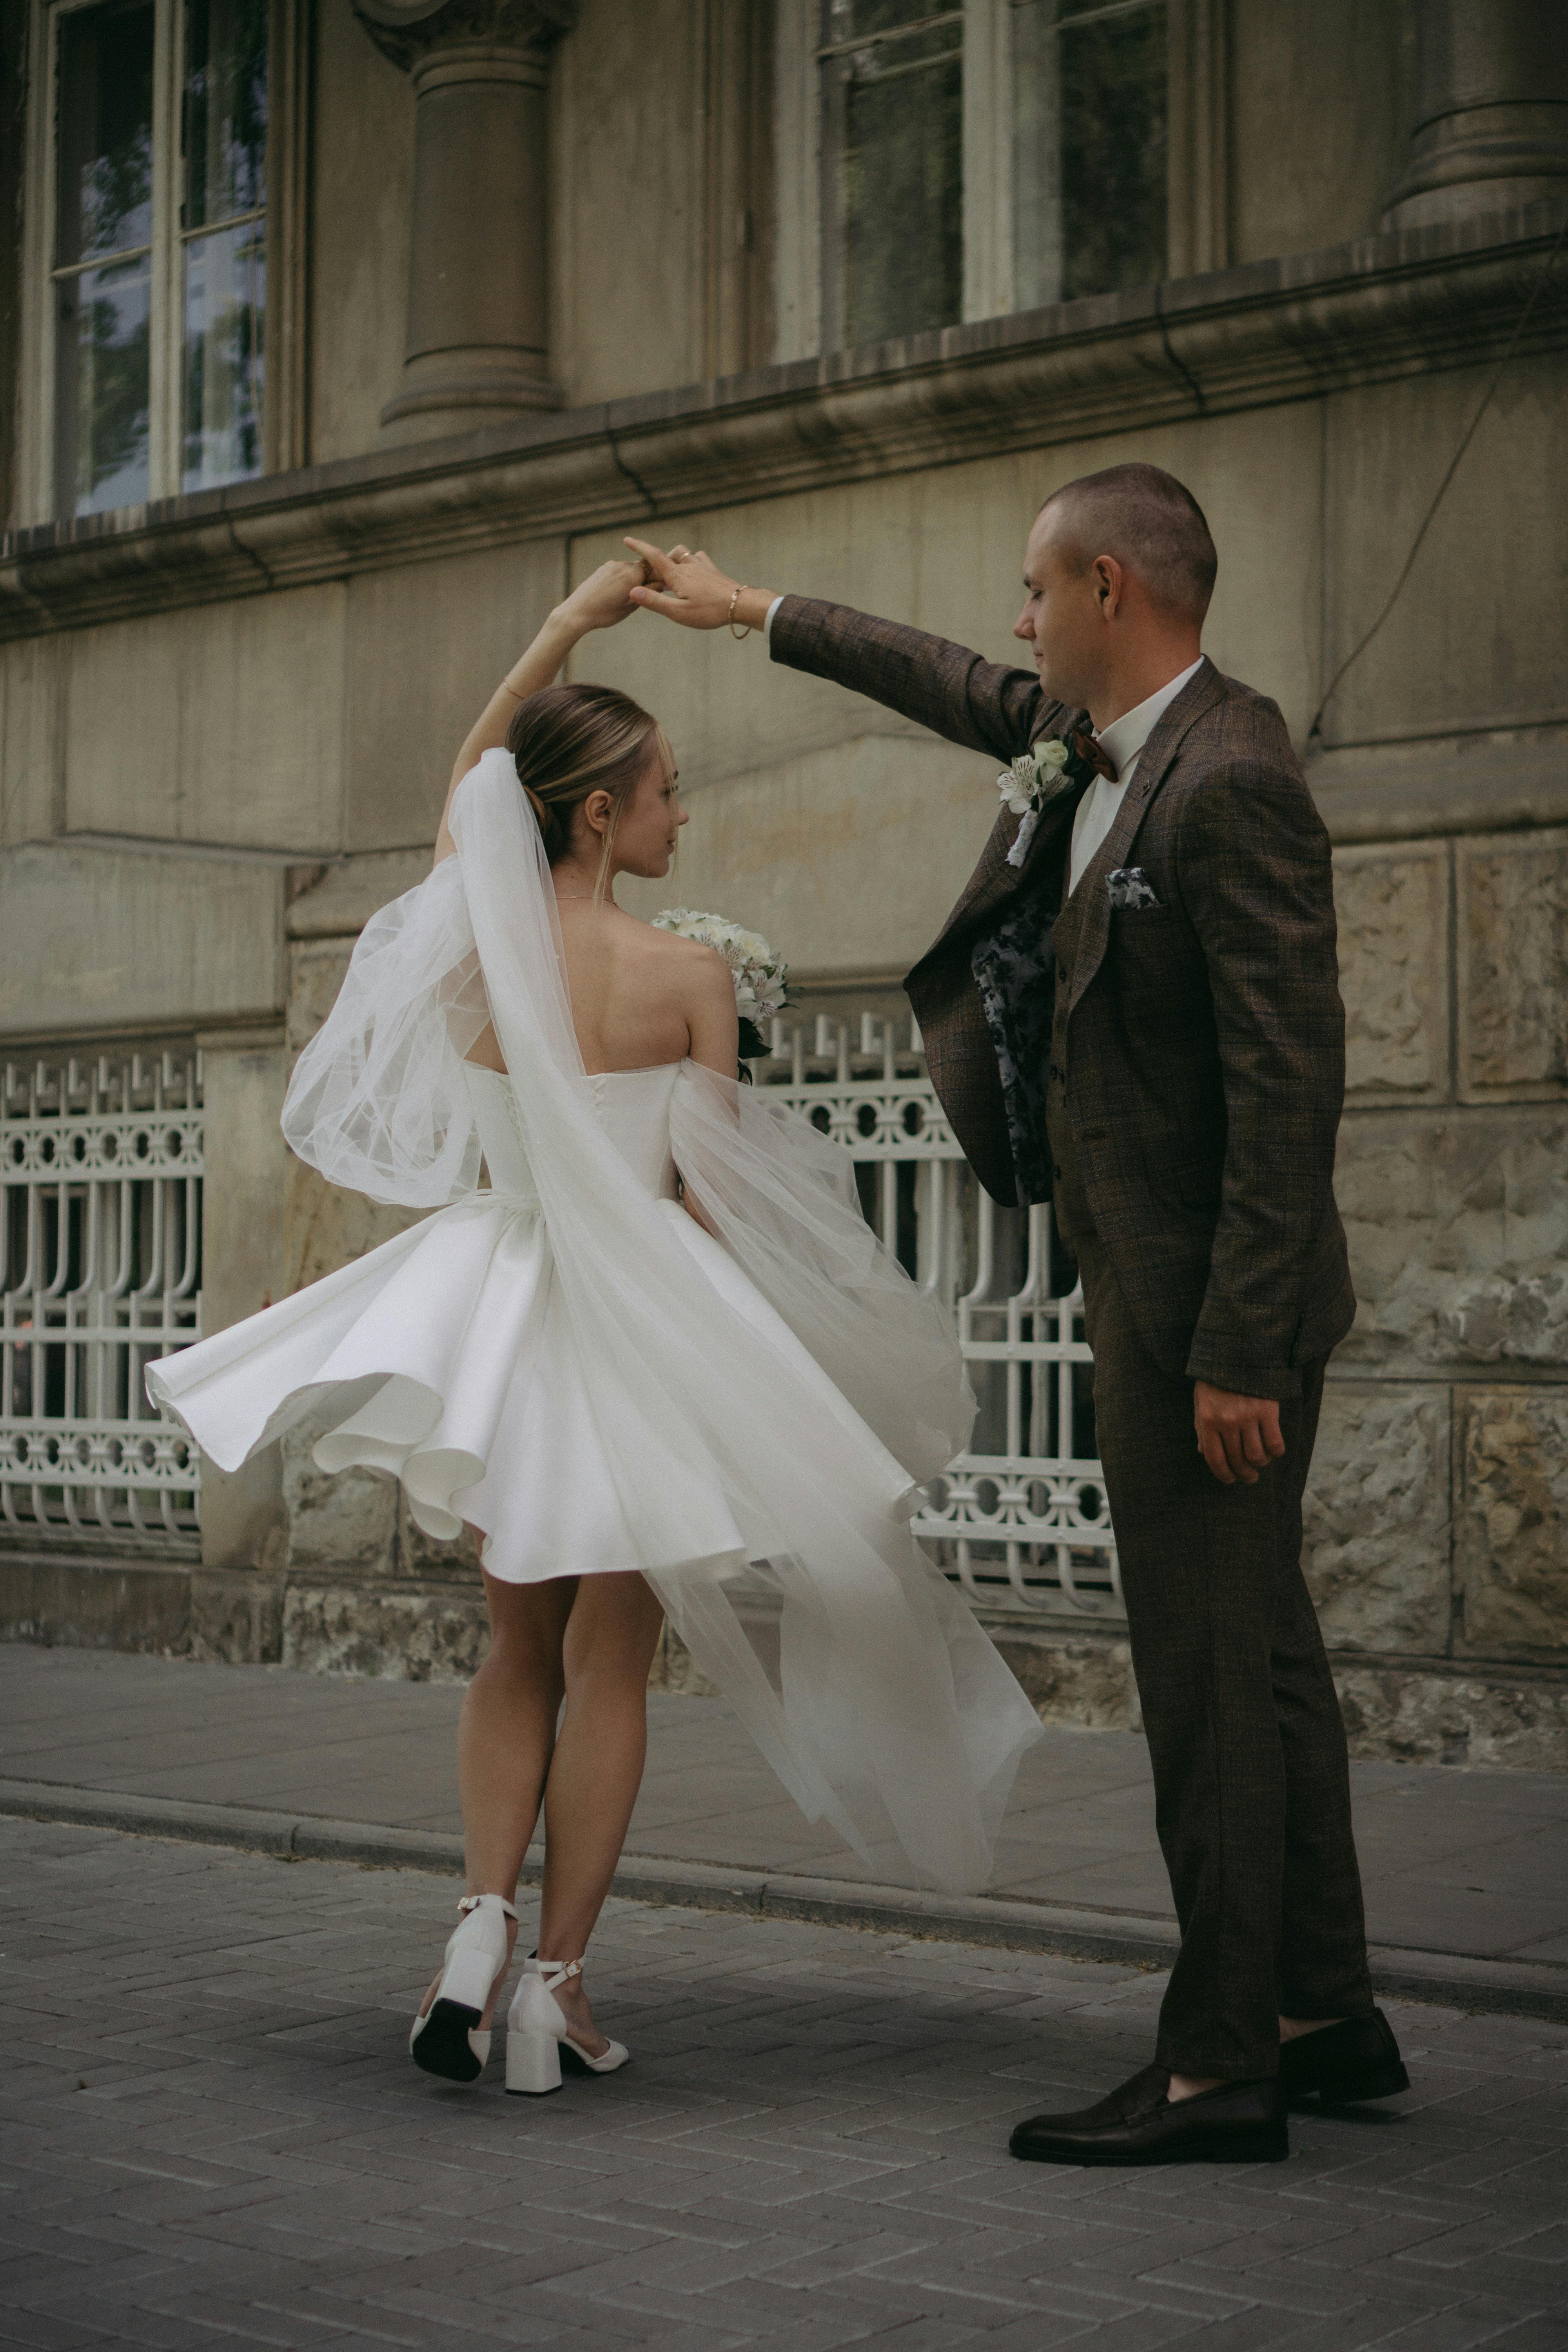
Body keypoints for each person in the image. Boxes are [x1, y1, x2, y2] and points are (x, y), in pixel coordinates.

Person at [146, 557, 1042, 2102]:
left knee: (514, 1652)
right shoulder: (688, 972)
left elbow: (465, 787)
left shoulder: (473, 947)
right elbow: (708, 1196)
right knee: (612, 1667)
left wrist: (566, 625)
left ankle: (471, 1938)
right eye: (665, 794)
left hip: (501, 1314)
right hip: (635, 1325)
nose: (683, 817)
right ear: (601, 819)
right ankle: (556, 1995)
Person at [626, 464, 1409, 2165]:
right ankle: (1322, 2012)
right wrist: (744, 607)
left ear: (1111, 589)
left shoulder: (1232, 780)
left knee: (1206, 1675)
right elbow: (943, 679)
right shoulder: (1096, 742)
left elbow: (1292, 1089)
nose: (1014, 622)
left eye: (1035, 591)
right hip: (1159, 1279)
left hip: (1205, 1310)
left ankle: (1216, 2068)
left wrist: (1232, 1351)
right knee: (1263, 1663)